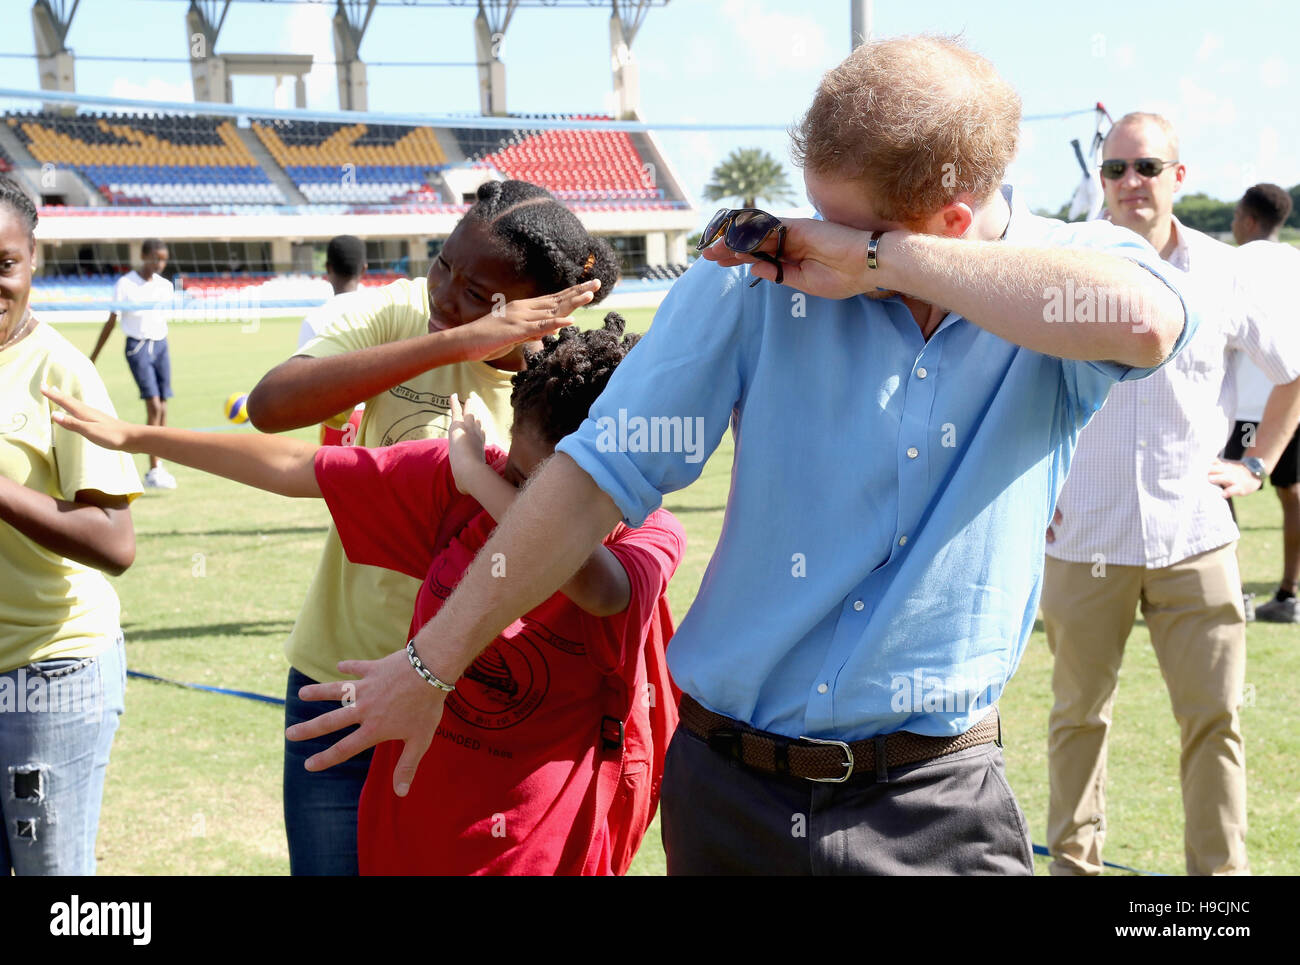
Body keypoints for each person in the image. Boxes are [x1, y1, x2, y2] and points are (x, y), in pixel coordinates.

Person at [282, 36, 1201, 876]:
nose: (810, 237)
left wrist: (878, 261)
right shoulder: (760, 278)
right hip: (733, 789)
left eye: (848, 226)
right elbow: (598, 475)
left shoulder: (1066, 275)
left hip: (937, 802)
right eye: (816, 211)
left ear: (947, 223)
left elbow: (1146, 320)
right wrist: (432, 661)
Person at [44, 313, 683, 875]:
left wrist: (482, 483)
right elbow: (296, 470)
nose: (521, 491)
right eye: (516, 471)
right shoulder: (465, 475)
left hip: (539, 841)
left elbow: (600, 588)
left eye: (546, 486)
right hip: (412, 828)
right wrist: (138, 438)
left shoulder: (647, 530)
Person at [246, 179, 620, 875]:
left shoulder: (572, 381)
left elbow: (590, 564)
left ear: (545, 301)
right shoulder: (404, 316)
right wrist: (457, 341)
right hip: (343, 678)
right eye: (444, 265)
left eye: (480, 293)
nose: (445, 296)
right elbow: (271, 407)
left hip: (475, 709)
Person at [1042, 115, 1300, 876]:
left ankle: (1217, 893)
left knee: (1216, 721)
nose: (1130, 183)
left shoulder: (1224, 270)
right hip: (1084, 537)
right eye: (1116, 168)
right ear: (1102, 179)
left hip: (1196, 536)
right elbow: (1012, 381)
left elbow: (1290, 373)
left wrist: (1255, 466)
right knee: (1076, 720)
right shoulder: (1064, 264)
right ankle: (1071, 868)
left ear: (1179, 177)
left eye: (1147, 167)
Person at [0, 176, 141, 875]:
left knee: (51, 880)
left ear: (33, 262)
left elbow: (115, 541)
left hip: (47, 672)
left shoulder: (61, 372)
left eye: (4, 264)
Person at [1225, 184, 1300, 622]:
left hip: (1245, 404)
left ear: (1249, 220)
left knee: (1217, 488)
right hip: (1292, 401)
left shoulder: (1234, 264)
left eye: (1236, 216)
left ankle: (1234, 591)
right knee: (1291, 495)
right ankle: (1289, 595)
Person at [89, 238, 177, 490]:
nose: (160, 264)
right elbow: (111, 320)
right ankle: (154, 469)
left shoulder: (165, 286)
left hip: (160, 345)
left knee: (163, 405)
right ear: (144, 255)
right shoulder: (125, 284)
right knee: (153, 405)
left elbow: (159, 318)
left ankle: (159, 464)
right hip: (137, 348)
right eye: (156, 258)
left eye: (164, 259)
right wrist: (94, 355)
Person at [296, 234, 369, 446]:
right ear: (364, 268)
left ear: (328, 268)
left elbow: (305, 383)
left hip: (336, 420)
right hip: (379, 416)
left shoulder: (316, 319)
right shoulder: (383, 309)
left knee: (334, 478)